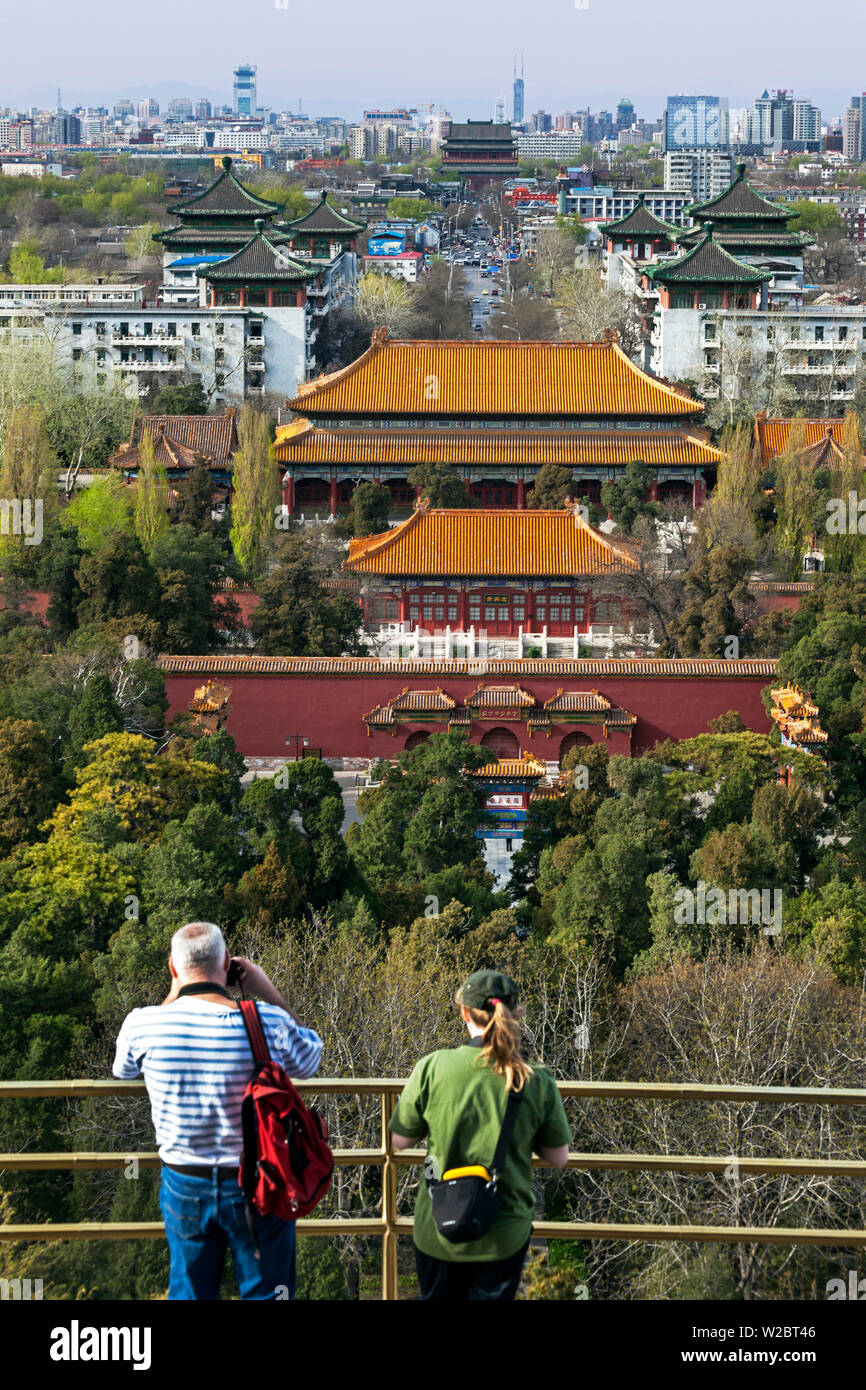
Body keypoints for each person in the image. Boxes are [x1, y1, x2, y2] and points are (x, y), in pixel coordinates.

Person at [112, 920, 322, 1301]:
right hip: (259, 1183)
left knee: (190, 1293)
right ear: (228, 963)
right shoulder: (267, 1021)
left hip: (183, 1182)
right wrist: (264, 988)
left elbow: (123, 1070)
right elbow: (310, 1057)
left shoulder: (142, 1025)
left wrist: (172, 993)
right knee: (268, 1294)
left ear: (173, 969)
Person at [390, 968, 571, 1301]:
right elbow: (558, 1157)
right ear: (515, 1015)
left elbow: (400, 1140)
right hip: (502, 1236)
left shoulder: (432, 1066)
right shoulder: (536, 1079)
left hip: (438, 1230)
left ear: (464, 1012)